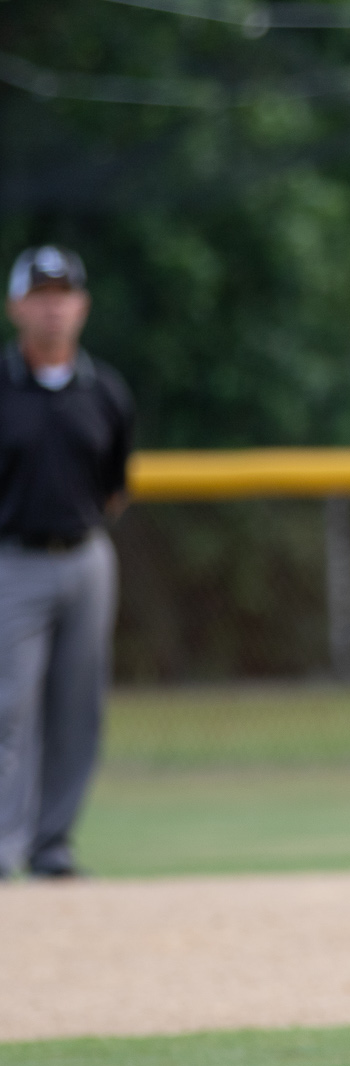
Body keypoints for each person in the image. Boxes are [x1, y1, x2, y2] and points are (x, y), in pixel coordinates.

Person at [0, 246, 132, 879]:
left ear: (81, 306)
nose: (53, 308)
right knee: (8, 705)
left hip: (85, 557)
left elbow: (115, 484)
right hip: (11, 560)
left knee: (78, 707)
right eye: (41, 295)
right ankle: (3, 842)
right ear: (15, 306)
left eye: (64, 295)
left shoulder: (104, 389)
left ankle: (52, 843)